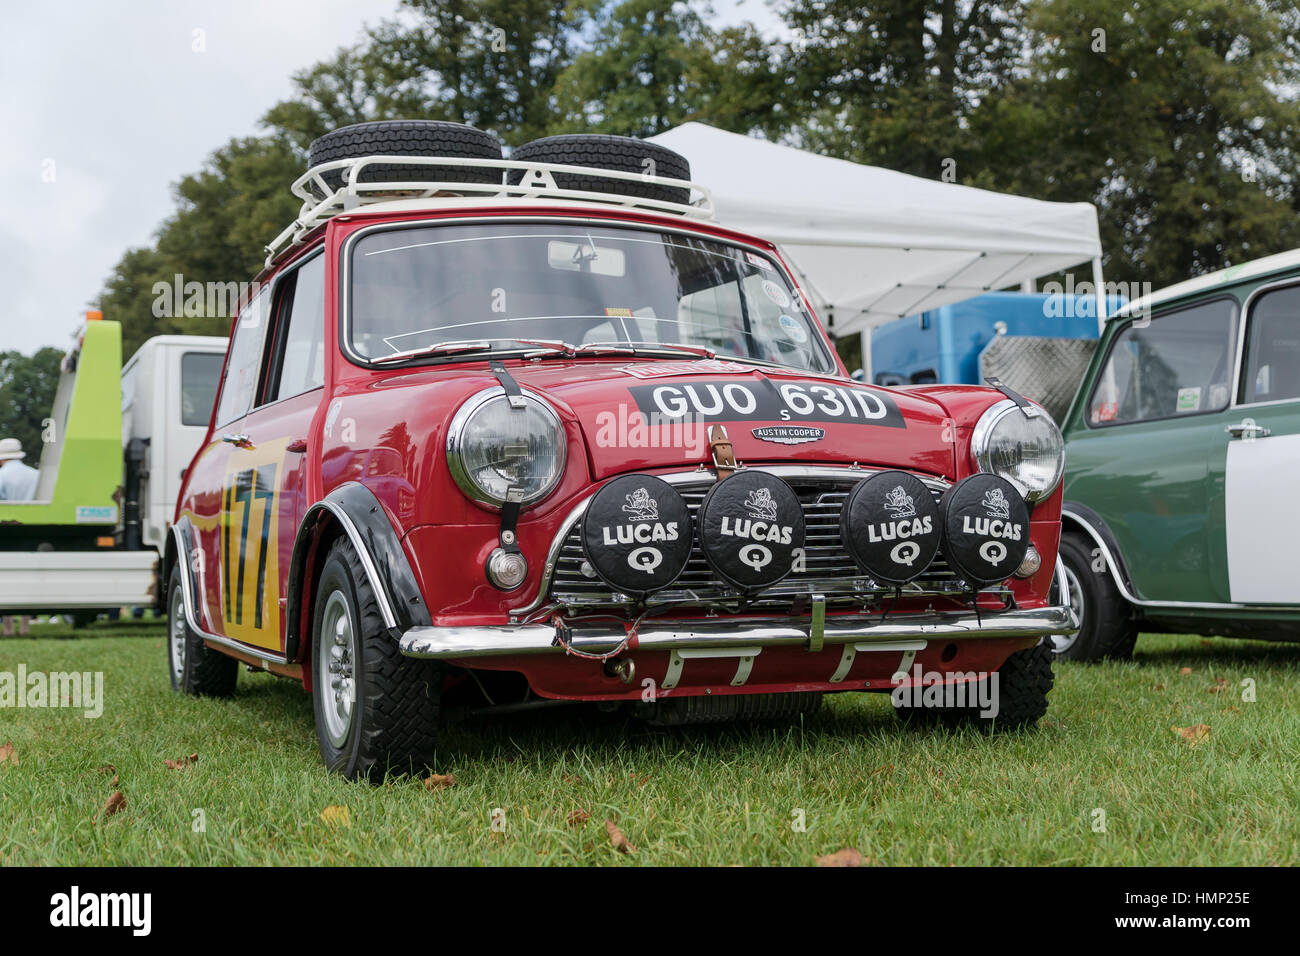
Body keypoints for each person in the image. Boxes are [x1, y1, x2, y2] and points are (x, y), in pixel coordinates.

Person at [0, 438, 38, 636]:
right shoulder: (35, 475)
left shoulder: (1, 476)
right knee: (25, 578)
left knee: (4, 579)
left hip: (7, 531)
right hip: (31, 530)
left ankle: (7, 627)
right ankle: (25, 626)